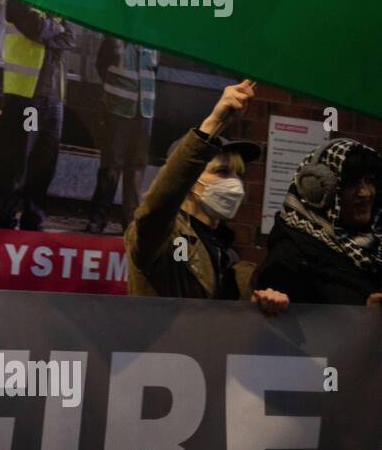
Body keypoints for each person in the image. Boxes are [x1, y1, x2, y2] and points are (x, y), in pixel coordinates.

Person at [124, 79, 288, 314]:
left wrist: (263, 306)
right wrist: (214, 122)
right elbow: (157, 207)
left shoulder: (226, 253)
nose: (234, 183)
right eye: (221, 172)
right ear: (188, 180)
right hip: (166, 351)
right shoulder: (164, 237)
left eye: (238, 174)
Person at [255, 139, 382, 306]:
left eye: (370, 181)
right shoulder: (290, 257)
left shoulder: (374, 248)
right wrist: (365, 316)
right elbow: (277, 328)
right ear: (318, 191)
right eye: (351, 183)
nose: (365, 193)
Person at [0, 0, 77, 230]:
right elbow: (36, 28)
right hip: (27, 97)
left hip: (54, 100)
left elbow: (70, 37)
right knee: (17, 162)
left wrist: (50, 28)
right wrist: (55, 27)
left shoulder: (58, 5)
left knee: (45, 163)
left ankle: (33, 220)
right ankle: (5, 221)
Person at [86, 36, 158, 234]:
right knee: (111, 165)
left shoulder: (154, 40)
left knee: (136, 167)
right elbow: (101, 65)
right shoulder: (114, 36)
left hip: (144, 112)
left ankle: (130, 223)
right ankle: (97, 220)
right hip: (118, 109)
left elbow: (153, 71)